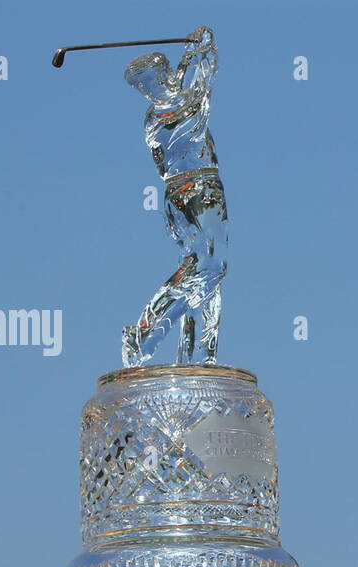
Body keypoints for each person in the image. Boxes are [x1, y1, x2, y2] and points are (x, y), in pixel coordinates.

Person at [121, 27, 226, 366]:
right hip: (197, 191)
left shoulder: (156, 115)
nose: (169, 78)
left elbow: (196, 77)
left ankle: (197, 357)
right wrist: (200, 49)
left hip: (184, 195)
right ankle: (146, 335)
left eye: (168, 72)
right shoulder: (170, 114)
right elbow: (204, 78)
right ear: (151, 86)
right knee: (210, 268)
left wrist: (192, 53)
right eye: (162, 76)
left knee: (202, 273)